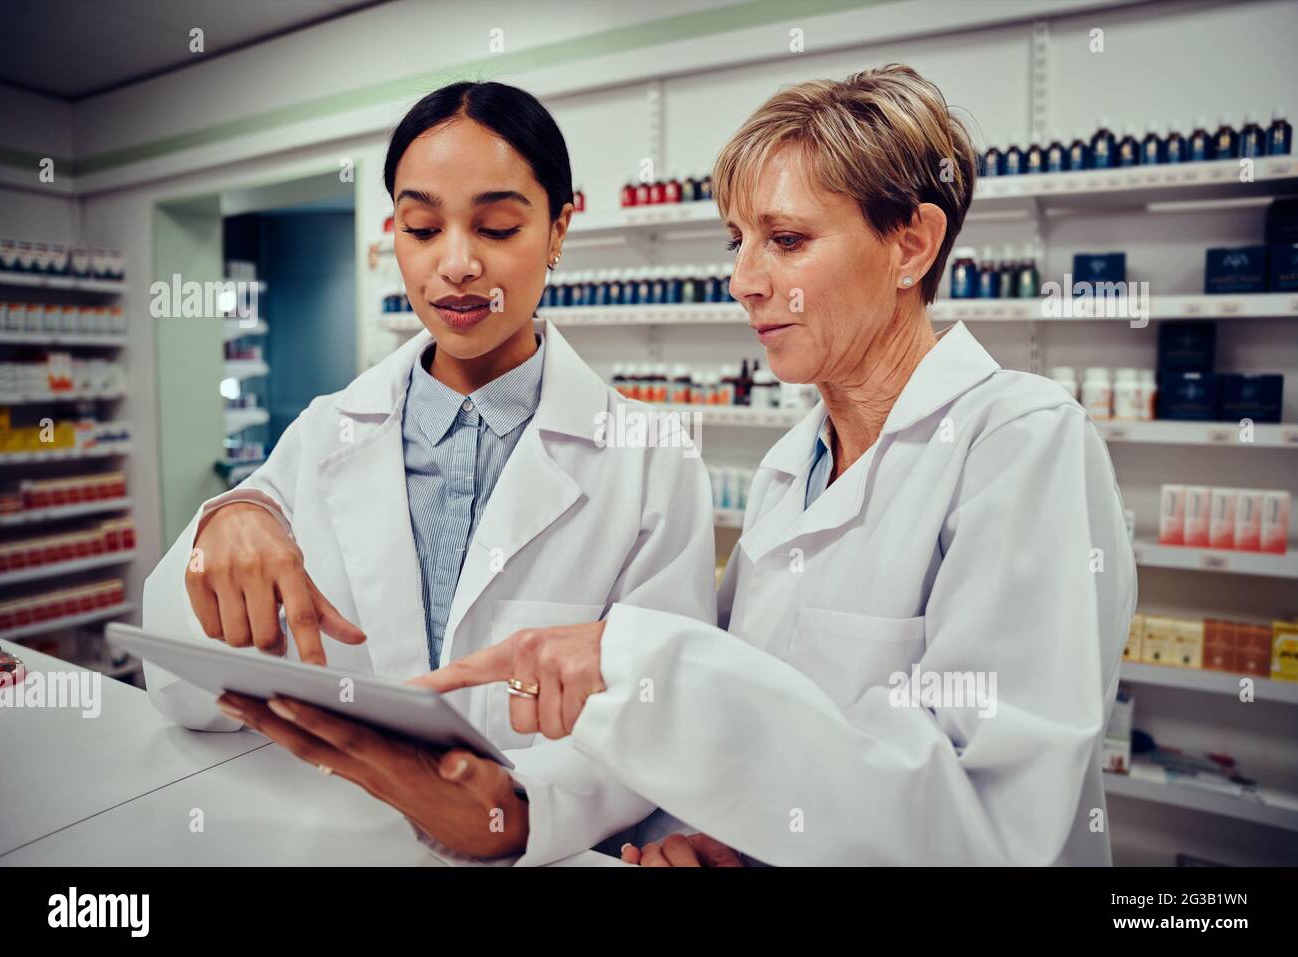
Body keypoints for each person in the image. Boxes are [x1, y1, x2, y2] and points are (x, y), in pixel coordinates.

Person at [421, 64, 1138, 866]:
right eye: (740, 241)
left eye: (787, 240)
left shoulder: (1021, 443)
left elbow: (991, 828)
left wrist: (638, 662)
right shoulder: (788, 472)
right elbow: (781, 762)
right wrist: (719, 840)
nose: (743, 280)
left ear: (911, 243)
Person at [142, 81, 717, 865]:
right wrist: (226, 518)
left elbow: (662, 717)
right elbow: (177, 690)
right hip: (332, 843)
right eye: (420, 226)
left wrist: (519, 807)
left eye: (498, 225)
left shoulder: (652, 459)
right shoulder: (324, 432)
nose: (455, 263)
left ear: (558, 229)